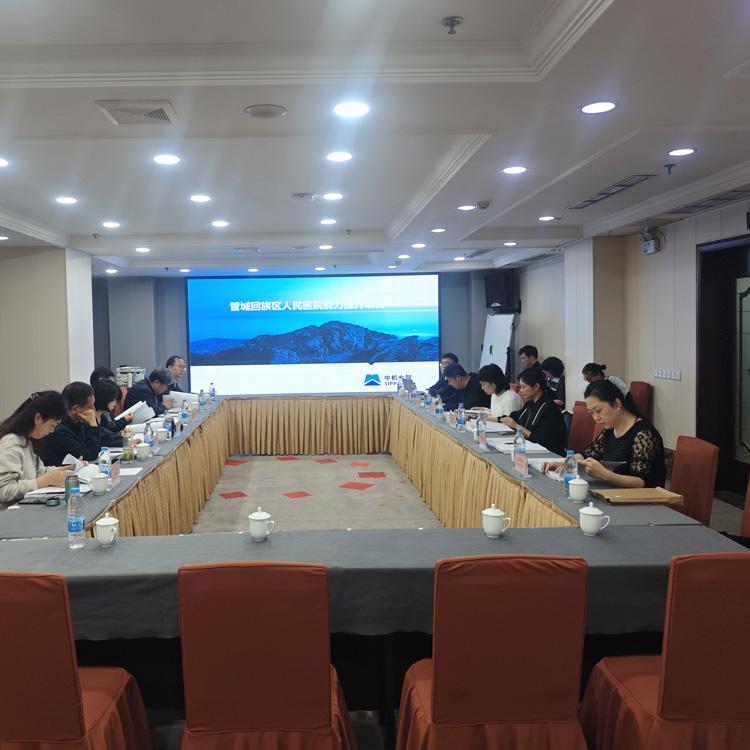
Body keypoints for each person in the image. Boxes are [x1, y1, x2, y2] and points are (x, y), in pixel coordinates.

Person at [543, 379, 666, 488]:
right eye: (591, 413)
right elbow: (587, 455)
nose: (596, 418)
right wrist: (563, 463)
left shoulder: (644, 434)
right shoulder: (610, 429)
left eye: (598, 411)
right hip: (615, 494)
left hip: (644, 501)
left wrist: (604, 474)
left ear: (617, 404)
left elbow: (640, 482)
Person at [0, 391, 73, 503]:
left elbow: (38, 471)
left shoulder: (27, 440)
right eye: (52, 425)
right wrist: (41, 482)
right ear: (38, 418)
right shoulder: (10, 444)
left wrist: (61, 470)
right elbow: (4, 491)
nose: (52, 431)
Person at [500, 367, 567, 455]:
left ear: (536, 386)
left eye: (523, 387)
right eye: (520, 387)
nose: (521, 390)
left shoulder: (549, 408)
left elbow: (542, 440)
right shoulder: (530, 404)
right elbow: (515, 416)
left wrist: (516, 426)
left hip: (549, 453)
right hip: (530, 448)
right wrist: (494, 418)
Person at [44, 382, 102, 466]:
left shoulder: (79, 421)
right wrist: (93, 425)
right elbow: (91, 454)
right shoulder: (60, 431)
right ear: (75, 409)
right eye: (90, 406)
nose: (93, 409)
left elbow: (98, 443)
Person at [93, 379, 133, 448]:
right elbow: (104, 438)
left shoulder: (102, 416)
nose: (115, 404)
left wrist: (120, 433)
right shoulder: (91, 417)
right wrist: (128, 441)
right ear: (104, 398)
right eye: (114, 400)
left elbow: (108, 432)